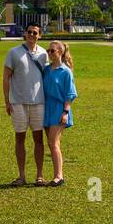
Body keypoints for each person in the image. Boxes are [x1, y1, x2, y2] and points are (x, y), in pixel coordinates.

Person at [3, 24, 48, 185]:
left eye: (34, 33)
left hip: (38, 102)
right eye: (29, 32)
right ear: (25, 34)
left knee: (38, 139)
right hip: (18, 102)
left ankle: (40, 175)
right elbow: (6, 77)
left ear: (40, 35)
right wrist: (7, 101)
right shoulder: (14, 52)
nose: (31, 35)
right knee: (20, 138)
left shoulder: (44, 53)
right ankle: (21, 175)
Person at [41, 41, 77, 187]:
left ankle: (59, 176)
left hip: (59, 109)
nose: (49, 53)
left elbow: (70, 94)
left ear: (60, 53)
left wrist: (65, 112)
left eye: (53, 51)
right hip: (46, 108)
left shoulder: (65, 72)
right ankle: (57, 174)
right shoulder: (46, 69)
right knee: (52, 143)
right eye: (48, 51)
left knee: (53, 143)